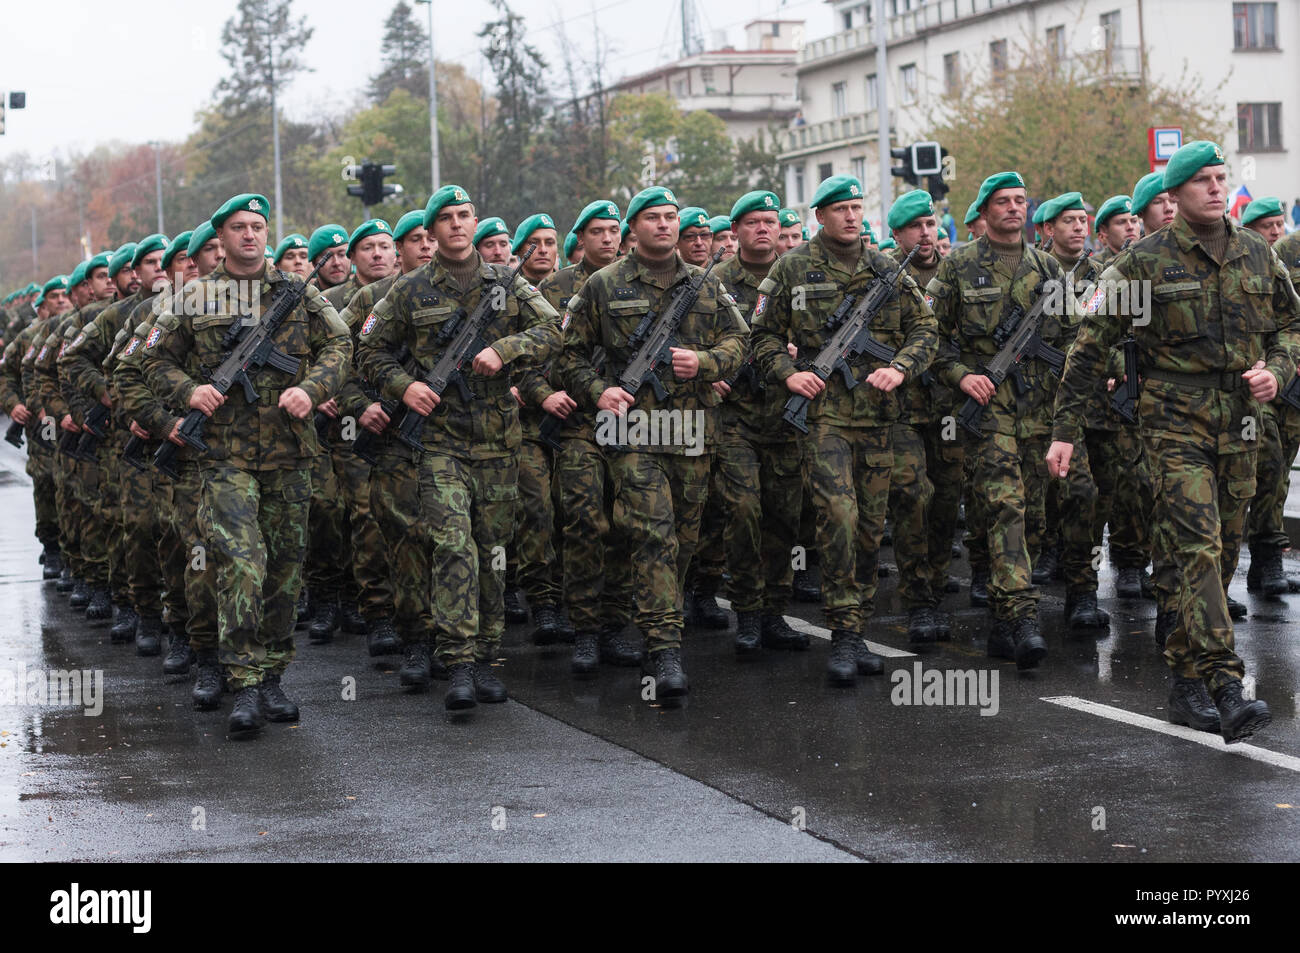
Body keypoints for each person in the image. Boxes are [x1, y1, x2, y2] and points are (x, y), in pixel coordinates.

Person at [1048, 141, 1300, 743]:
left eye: (1221, 178)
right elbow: (1087, 349)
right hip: (1172, 422)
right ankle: (1224, 684)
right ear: (1176, 195)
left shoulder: (1259, 255)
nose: (1216, 188)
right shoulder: (1142, 264)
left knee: (1224, 550)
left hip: (1241, 423)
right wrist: (1064, 431)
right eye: (1202, 182)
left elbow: (1292, 325)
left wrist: (1279, 369)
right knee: (1198, 547)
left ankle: (1185, 683)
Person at [144, 193, 353, 738]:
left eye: (258, 226)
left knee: (285, 567)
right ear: (222, 236)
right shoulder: (191, 298)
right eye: (239, 227)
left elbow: (341, 345)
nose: (251, 236)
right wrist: (189, 392)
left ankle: (272, 675)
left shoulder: (299, 292)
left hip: (290, 454)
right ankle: (242, 679)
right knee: (242, 562)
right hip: (223, 457)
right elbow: (148, 360)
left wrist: (311, 388)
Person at [356, 184, 561, 712]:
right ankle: (459, 661)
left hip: (498, 442)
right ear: (431, 230)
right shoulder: (407, 290)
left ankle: (489, 654)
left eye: (464, 215)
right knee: (453, 546)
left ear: (476, 221)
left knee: (493, 553)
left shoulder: (506, 281)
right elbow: (368, 350)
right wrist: (406, 386)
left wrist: (504, 349)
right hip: (439, 444)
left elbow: (554, 330)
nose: (455, 224)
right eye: (444, 218)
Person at [560, 185, 748, 701]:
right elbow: (568, 354)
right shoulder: (603, 285)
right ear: (633, 229)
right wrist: (600, 391)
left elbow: (741, 341)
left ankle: (635, 617)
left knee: (684, 540)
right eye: (653, 218)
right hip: (632, 432)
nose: (665, 225)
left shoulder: (706, 283)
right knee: (652, 535)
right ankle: (665, 648)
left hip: (691, 431)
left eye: (671, 217)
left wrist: (705, 363)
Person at [752, 174, 937, 686]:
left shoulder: (886, 266)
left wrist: (899, 366)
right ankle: (841, 634)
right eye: (841, 209)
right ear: (820, 217)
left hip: (878, 419)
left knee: (871, 530)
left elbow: (926, 329)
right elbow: (762, 337)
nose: (852, 216)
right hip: (824, 418)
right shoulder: (792, 268)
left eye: (857, 207)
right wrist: (790, 373)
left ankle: (856, 629)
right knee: (839, 518)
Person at [929, 171, 1065, 669]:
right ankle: (1023, 616)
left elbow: (1073, 337)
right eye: (1003, 202)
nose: (1013, 209)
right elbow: (930, 338)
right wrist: (963, 376)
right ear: (983, 212)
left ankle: (1004, 623)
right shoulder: (958, 267)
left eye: (1020, 201)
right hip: (988, 410)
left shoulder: (1048, 268)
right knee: (1005, 505)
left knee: (1031, 513)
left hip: (1038, 409)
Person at [535, 199, 640, 672]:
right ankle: (583, 628)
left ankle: (614, 625)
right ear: (580, 237)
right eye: (597, 231)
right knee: (582, 522)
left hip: (631, 423)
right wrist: (543, 395)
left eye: (614, 230)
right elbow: (534, 356)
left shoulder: (638, 279)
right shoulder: (552, 288)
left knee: (624, 524)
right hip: (578, 422)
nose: (607, 238)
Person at [713, 190, 808, 654]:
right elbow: (691, 340)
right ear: (735, 232)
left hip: (788, 417)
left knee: (784, 518)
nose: (764, 229)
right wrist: (712, 375)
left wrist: (798, 355)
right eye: (752, 222)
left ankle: (775, 611)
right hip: (736, 420)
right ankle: (748, 611)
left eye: (770, 221)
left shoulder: (796, 273)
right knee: (744, 511)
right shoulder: (714, 281)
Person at [886, 189, 961, 642]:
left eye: (930, 224)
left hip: (950, 408)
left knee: (948, 500)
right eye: (916, 227)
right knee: (913, 495)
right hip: (904, 410)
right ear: (898, 234)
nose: (926, 233)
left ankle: (933, 581)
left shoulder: (959, 273)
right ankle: (917, 599)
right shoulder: (886, 276)